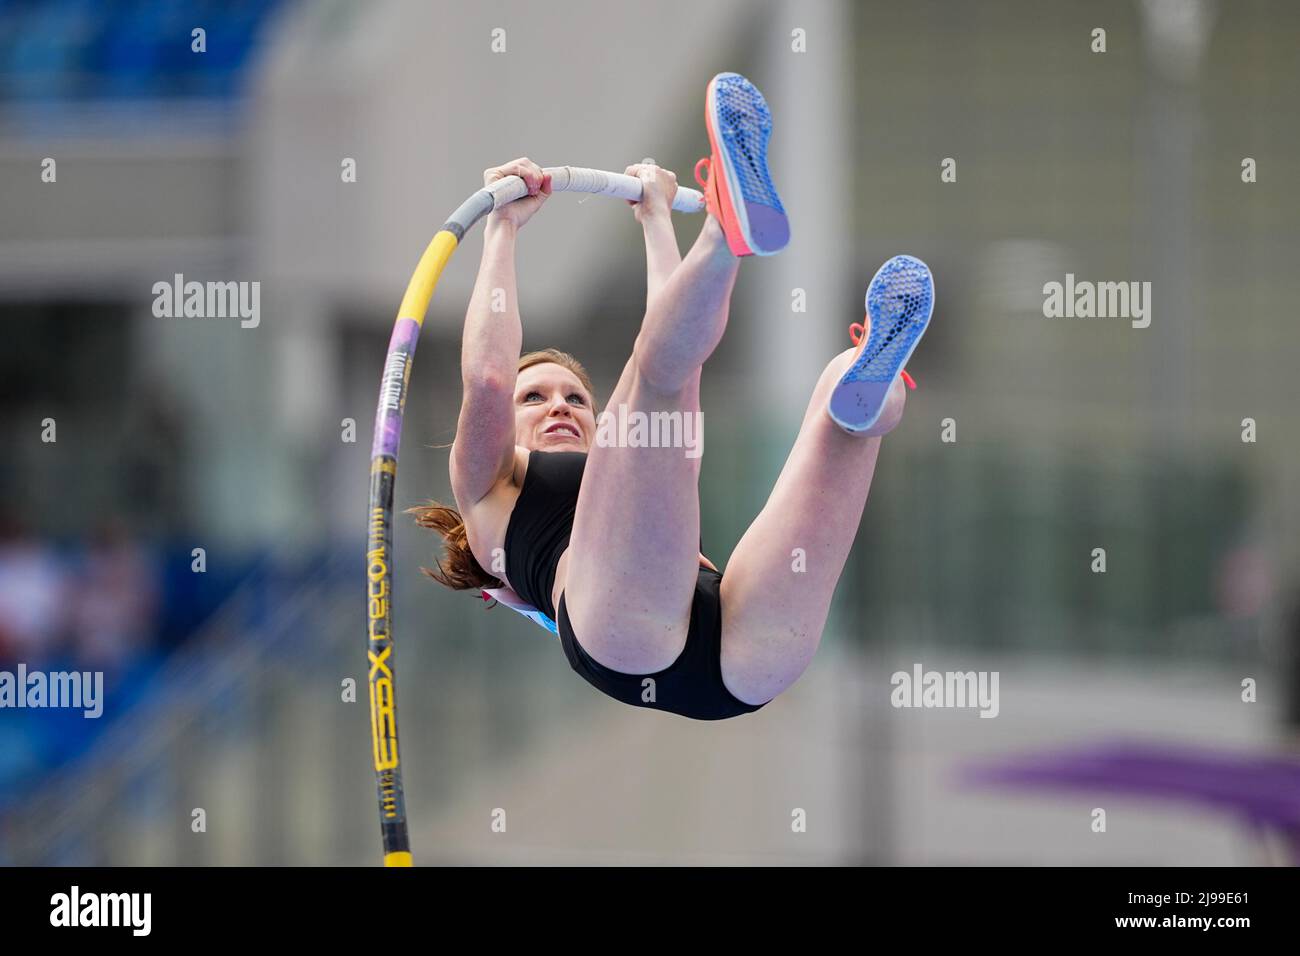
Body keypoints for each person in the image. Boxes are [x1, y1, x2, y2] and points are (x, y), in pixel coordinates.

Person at [412, 72, 931, 720]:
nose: (561, 405)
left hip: (738, 645)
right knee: (660, 386)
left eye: (576, 398)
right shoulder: (487, 484)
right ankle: (725, 229)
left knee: (836, 386)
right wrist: (502, 229)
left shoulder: (628, 463)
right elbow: (490, 377)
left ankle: (865, 385)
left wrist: (656, 219)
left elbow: (675, 352)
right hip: (636, 634)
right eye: (535, 398)